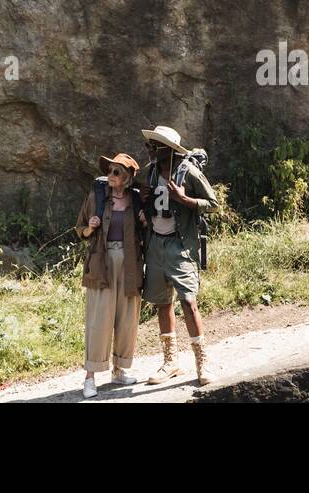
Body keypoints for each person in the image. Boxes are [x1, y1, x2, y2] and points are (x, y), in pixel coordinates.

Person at [136, 125, 219, 386]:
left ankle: (201, 362)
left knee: (188, 302)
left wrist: (185, 200)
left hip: (180, 245)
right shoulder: (150, 173)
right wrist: (144, 198)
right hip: (155, 244)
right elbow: (146, 206)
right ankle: (170, 362)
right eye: (150, 144)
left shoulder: (188, 172)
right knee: (163, 302)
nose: (150, 149)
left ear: (169, 150)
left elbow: (214, 204)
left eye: (155, 145)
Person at [76, 153, 145, 398]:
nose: (111, 175)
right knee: (98, 322)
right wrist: (90, 227)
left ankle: (119, 370)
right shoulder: (96, 197)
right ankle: (90, 377)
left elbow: (146, 235)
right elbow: (80, 229)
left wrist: (145, 222)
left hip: (130, 265)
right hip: (102, 264)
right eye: (110, 170)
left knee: (126, 319)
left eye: (117, 172)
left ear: (126, 178)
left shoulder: (136, 201)